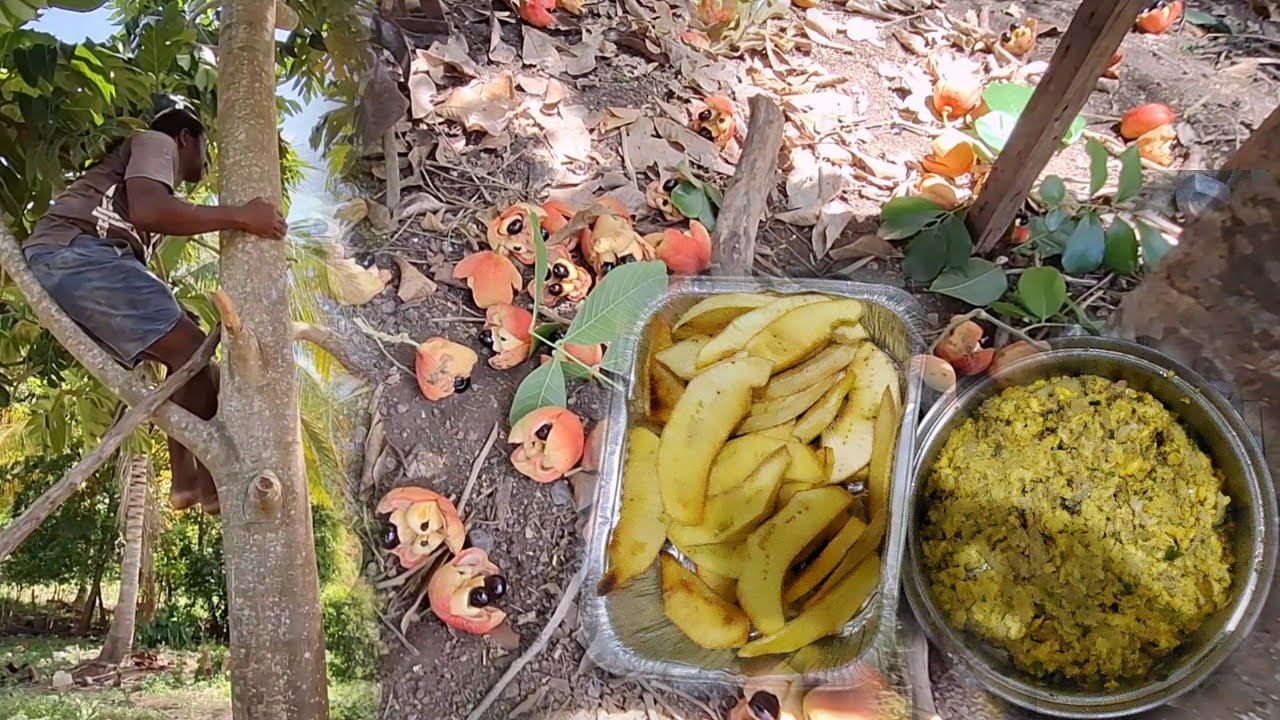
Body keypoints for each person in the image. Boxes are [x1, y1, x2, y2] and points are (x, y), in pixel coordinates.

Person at [21, 107, 288, 515]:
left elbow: (145, 218)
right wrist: (241, 217)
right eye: (205, 148)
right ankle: (198, 481)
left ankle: (187, 483)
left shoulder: (146, 184)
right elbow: (149, 211)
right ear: (184, 138)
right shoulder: (154, 142)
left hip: (72, 259)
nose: (208, 161)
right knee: (192, 350)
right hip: (75, 251)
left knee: (190, 356)